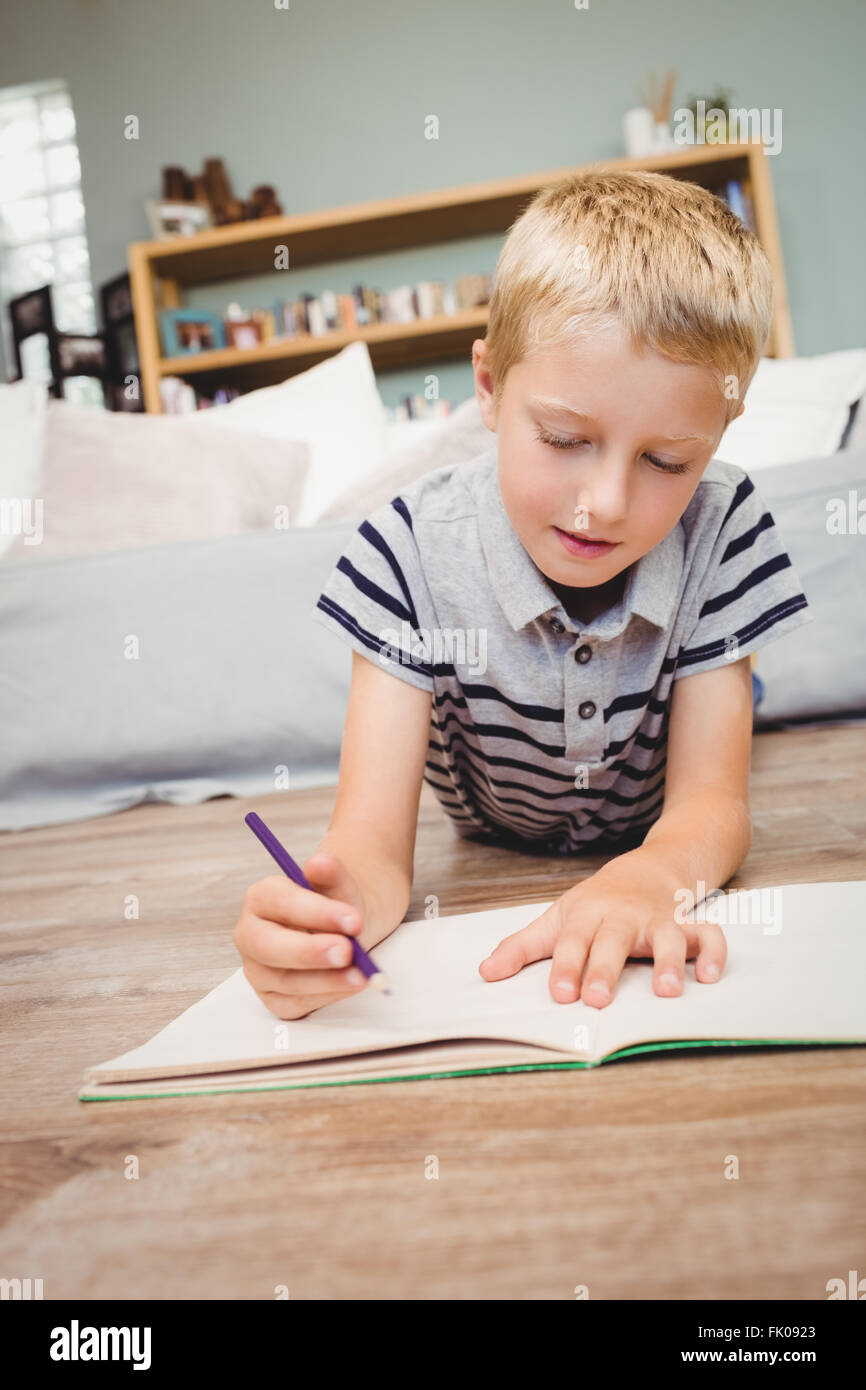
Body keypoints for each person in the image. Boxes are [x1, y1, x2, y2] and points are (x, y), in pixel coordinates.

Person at [233, 169, 812, 1018]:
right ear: (490, 388)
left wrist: (652, 877)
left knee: (740, 703)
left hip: (645, 789)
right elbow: (370, 844)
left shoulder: (724, 527)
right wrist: (333, 915)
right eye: (564, 438)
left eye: (667, 462)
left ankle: (739, 682)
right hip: (492, 819)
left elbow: (711, 807)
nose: (605, 504)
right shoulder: (405, 554)